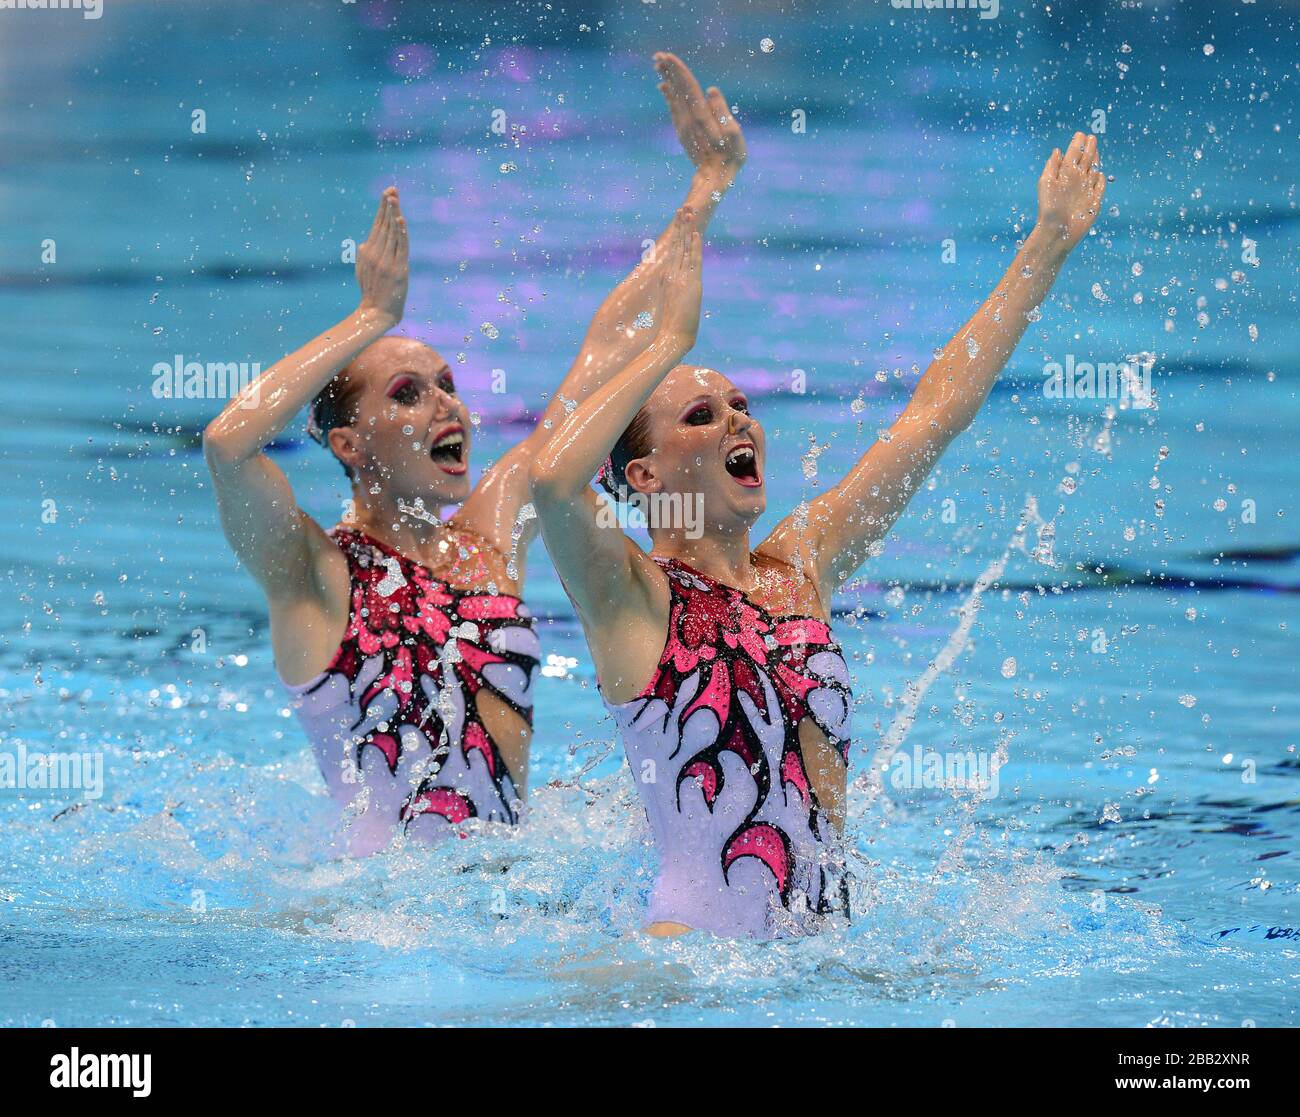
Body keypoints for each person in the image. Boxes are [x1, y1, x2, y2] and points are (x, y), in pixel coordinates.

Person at [529, 134, 1107, 937]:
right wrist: (667, 343)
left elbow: (931, 417)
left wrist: (1042, 249)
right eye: (701, 415)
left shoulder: (798, 564)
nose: (738, 419)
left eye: (740, 405)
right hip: (687, 975)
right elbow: (553, 483)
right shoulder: (633, 597)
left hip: (822, 962)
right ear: (646, 477)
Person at [202, 53, 747, 856]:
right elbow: (227, 443)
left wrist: (706, 186)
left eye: (447, 384)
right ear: (348, 444)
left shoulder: (489, 540)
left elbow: (604, 346)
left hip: (500, 903)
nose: (446, 403)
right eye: (407, 393)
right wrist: (370, 317)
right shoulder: (315, 575)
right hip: (374, 921)